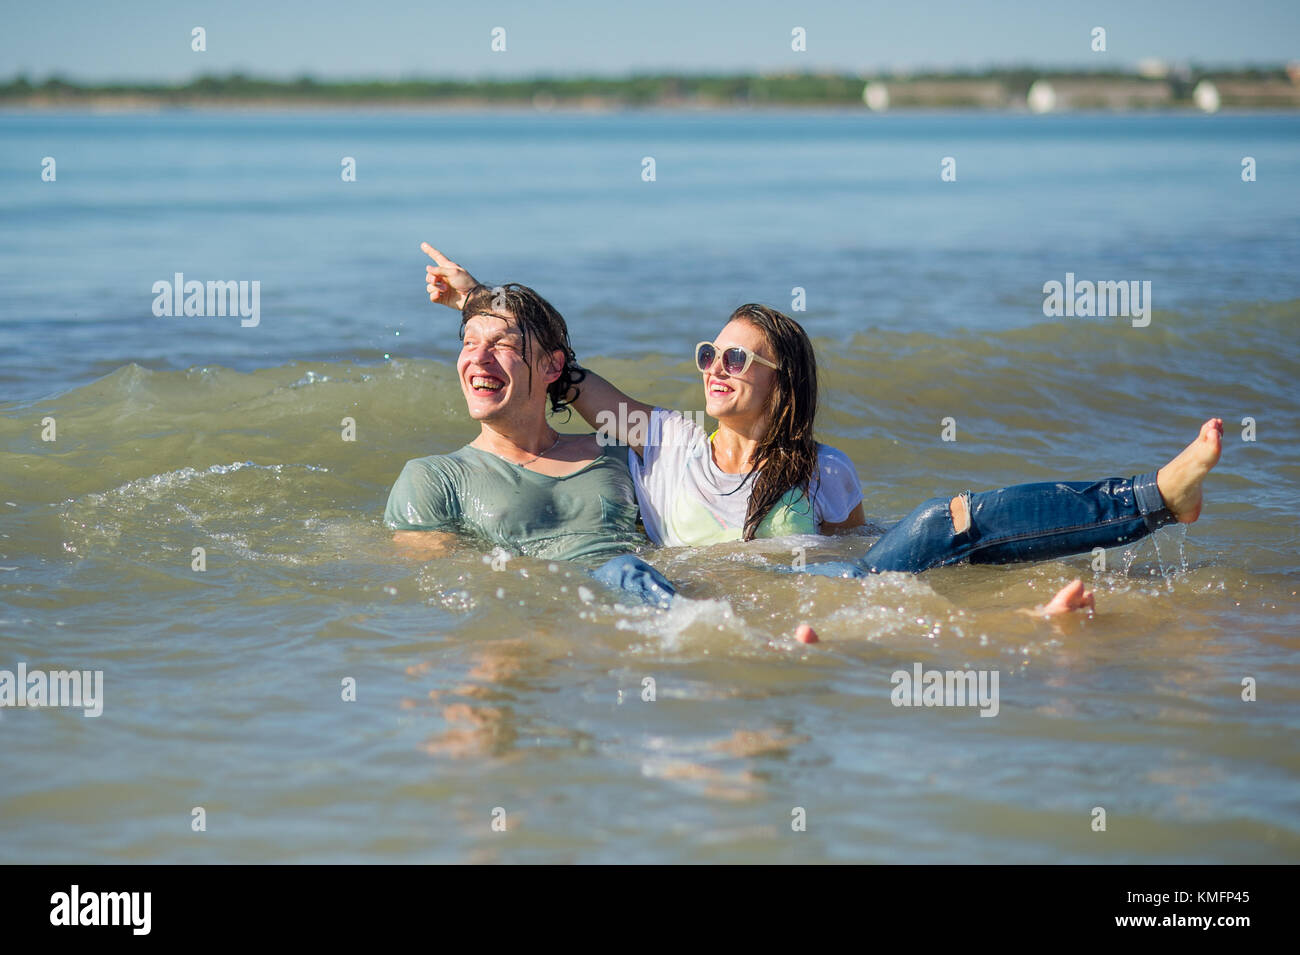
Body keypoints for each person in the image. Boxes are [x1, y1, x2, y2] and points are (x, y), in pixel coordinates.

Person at [421, 244, 1222, 631]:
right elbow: (552, 369)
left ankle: (1152, 497)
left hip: (831, 597)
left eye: (738, 356)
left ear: (782, 382)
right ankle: (1032, 620)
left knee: (954, 525)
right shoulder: (657, 442)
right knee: (633, 572)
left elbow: (875, 567)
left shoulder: (821, 472)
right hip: (708, 611)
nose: (715, 367)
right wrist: (474, 300)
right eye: (709, 354)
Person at [384, 281, 678, 608]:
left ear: (552, 366)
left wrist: (475, 295)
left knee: (628, 570)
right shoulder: (435, 477)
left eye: (502, 345)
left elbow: (680, 447)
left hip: (640, 604)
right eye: (469, 343)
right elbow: (433, 584)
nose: (479, 357)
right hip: (545, 615)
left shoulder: (619, 454)